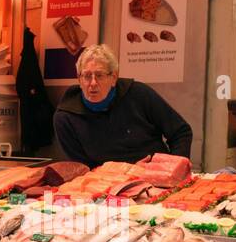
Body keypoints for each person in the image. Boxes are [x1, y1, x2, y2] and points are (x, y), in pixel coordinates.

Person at [53, 44, 192, 167]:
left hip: (156, 177)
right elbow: (83, 169)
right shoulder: (65, 118)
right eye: (87, 76)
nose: (93, 83)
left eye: (99, 75)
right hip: (106, 186)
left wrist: (172, 168)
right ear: (79, 79)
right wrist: (127, 173)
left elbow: (181, 132)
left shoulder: (139, 94)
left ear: (113, 78)